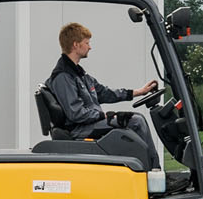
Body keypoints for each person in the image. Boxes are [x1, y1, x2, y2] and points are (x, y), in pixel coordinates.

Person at [45, 22, 161, 170]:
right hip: (79, 128)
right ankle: (153, 172)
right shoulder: (63, 76)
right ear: (76, 45)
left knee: (137, 119)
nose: (90, 47)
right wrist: (104, 116)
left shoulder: (79, 74)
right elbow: (76, 113)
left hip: (89, 123)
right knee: (136, 121)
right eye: (86, 43)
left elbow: (105, 93)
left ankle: (150, 169)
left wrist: (139, 92)